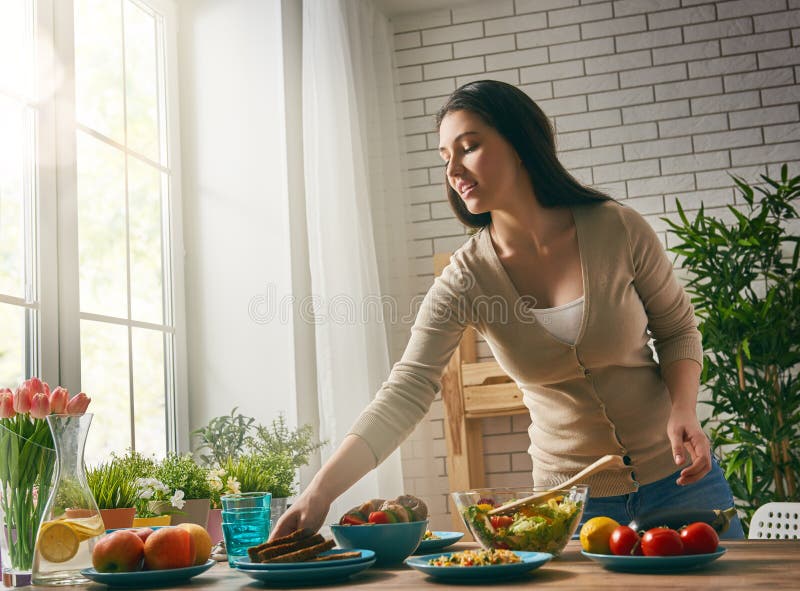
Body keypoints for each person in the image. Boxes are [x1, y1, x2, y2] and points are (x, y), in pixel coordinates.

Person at [271, 79, 745, 540]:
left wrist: (684, 409)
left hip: (683, 483)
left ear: (519, 144)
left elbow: (678, 329)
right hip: (568, 510)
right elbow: (406, 389)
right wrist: (318, 492)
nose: (454, 169)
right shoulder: (465, 279)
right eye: (445, 157)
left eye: (469, 147)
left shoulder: (617, 229)